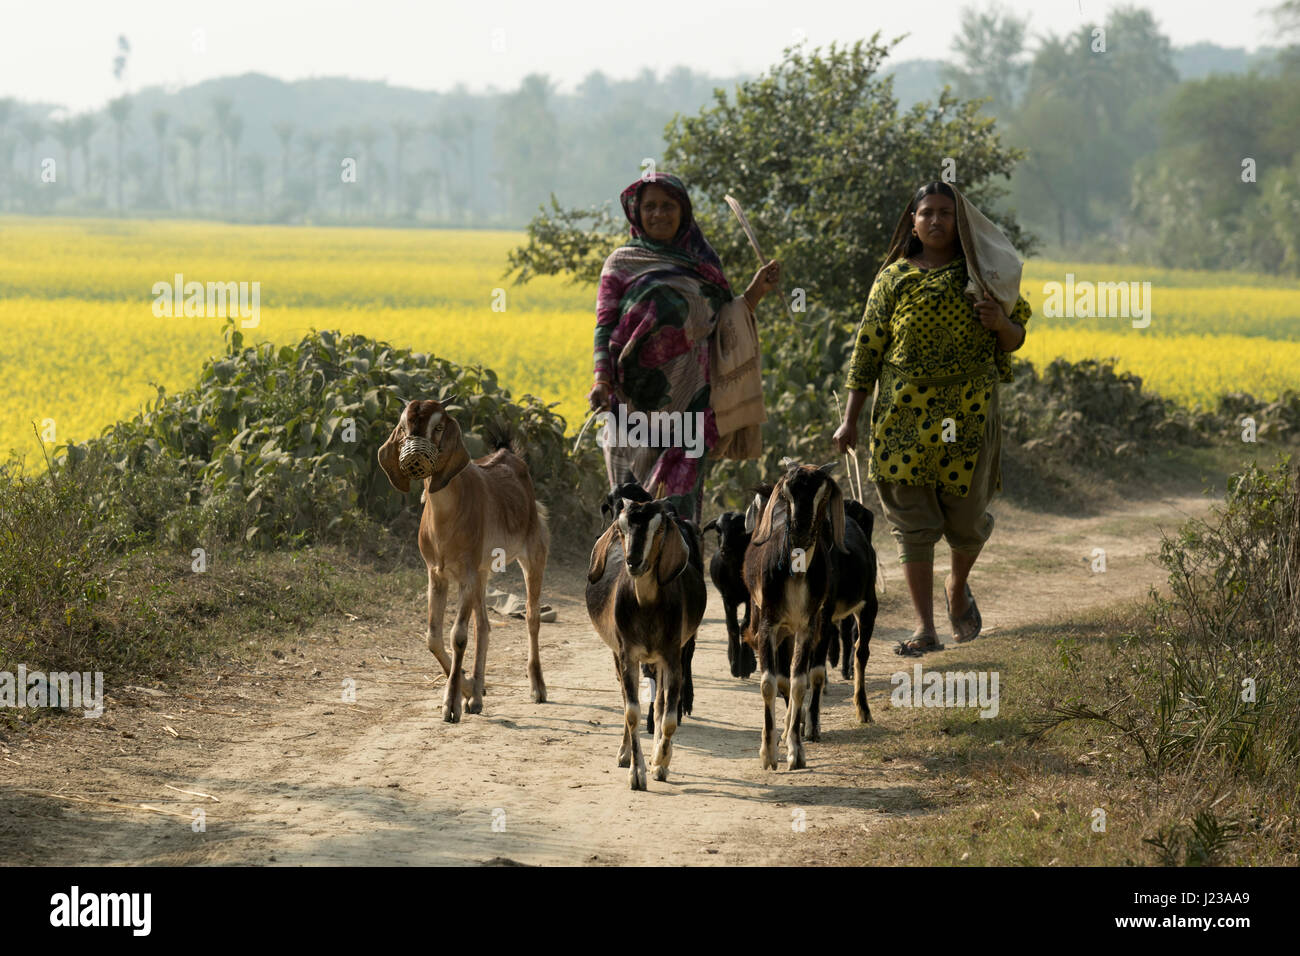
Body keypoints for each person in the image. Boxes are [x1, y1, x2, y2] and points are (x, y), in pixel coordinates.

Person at [832, 180, 1031, 655]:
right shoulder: (893, 278)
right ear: (914, 222)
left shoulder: (984, 275)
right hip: (902, 418)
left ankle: (957, 586)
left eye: (946, 213)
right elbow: (867, 350)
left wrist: (999, 323)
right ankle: (925, 627)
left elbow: (1016, 337)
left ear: (959, 223)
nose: (936, 221)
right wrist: (851, 419)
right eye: (927, 213)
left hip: (968, 416)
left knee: (966, 522)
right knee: (912, 525)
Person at [587, 172, 781, 522]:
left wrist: (755, 293)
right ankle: (626, 577)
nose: (659, 214)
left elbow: (724, 323)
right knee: (629, 511)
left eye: (668, 206)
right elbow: (604, 327)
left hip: (693, 405)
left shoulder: (703, 264)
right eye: (650, 207)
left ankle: (680, 575)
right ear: (636, 212)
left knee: (677, 512)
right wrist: (601, 380)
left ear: (684, 211)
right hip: (630, 408)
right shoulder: (621, 263)